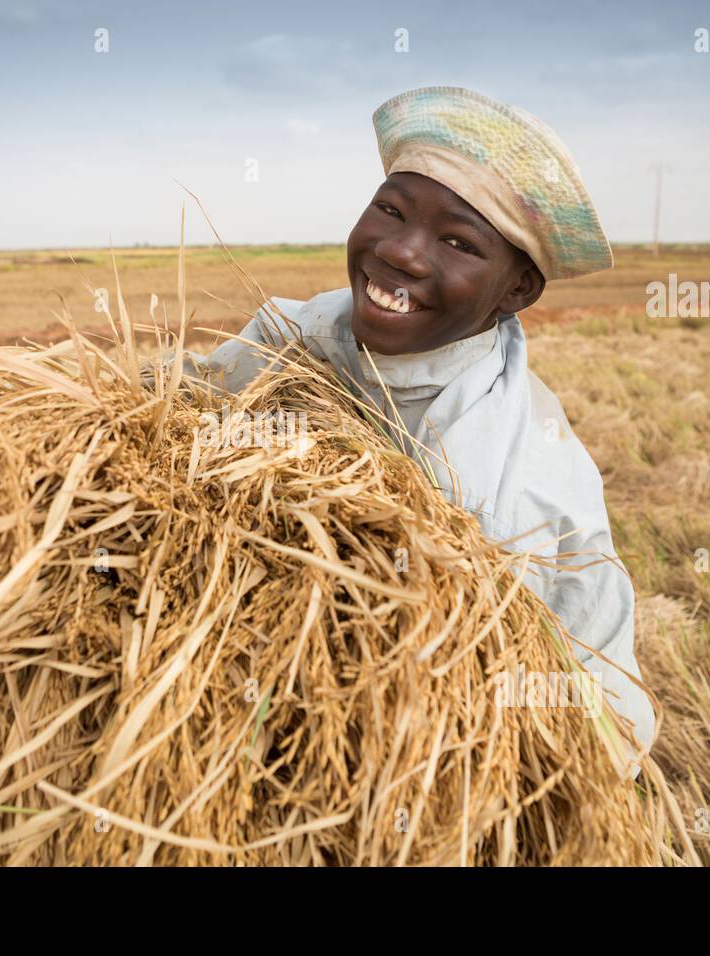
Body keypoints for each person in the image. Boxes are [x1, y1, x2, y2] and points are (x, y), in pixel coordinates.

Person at [190, 86, 654, 777]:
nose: (401, 253)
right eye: (390, 210)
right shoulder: (296, 335)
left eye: (459, 242)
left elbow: (596, 723)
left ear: (516, 290)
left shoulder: (526, 495)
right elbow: (190, 397)